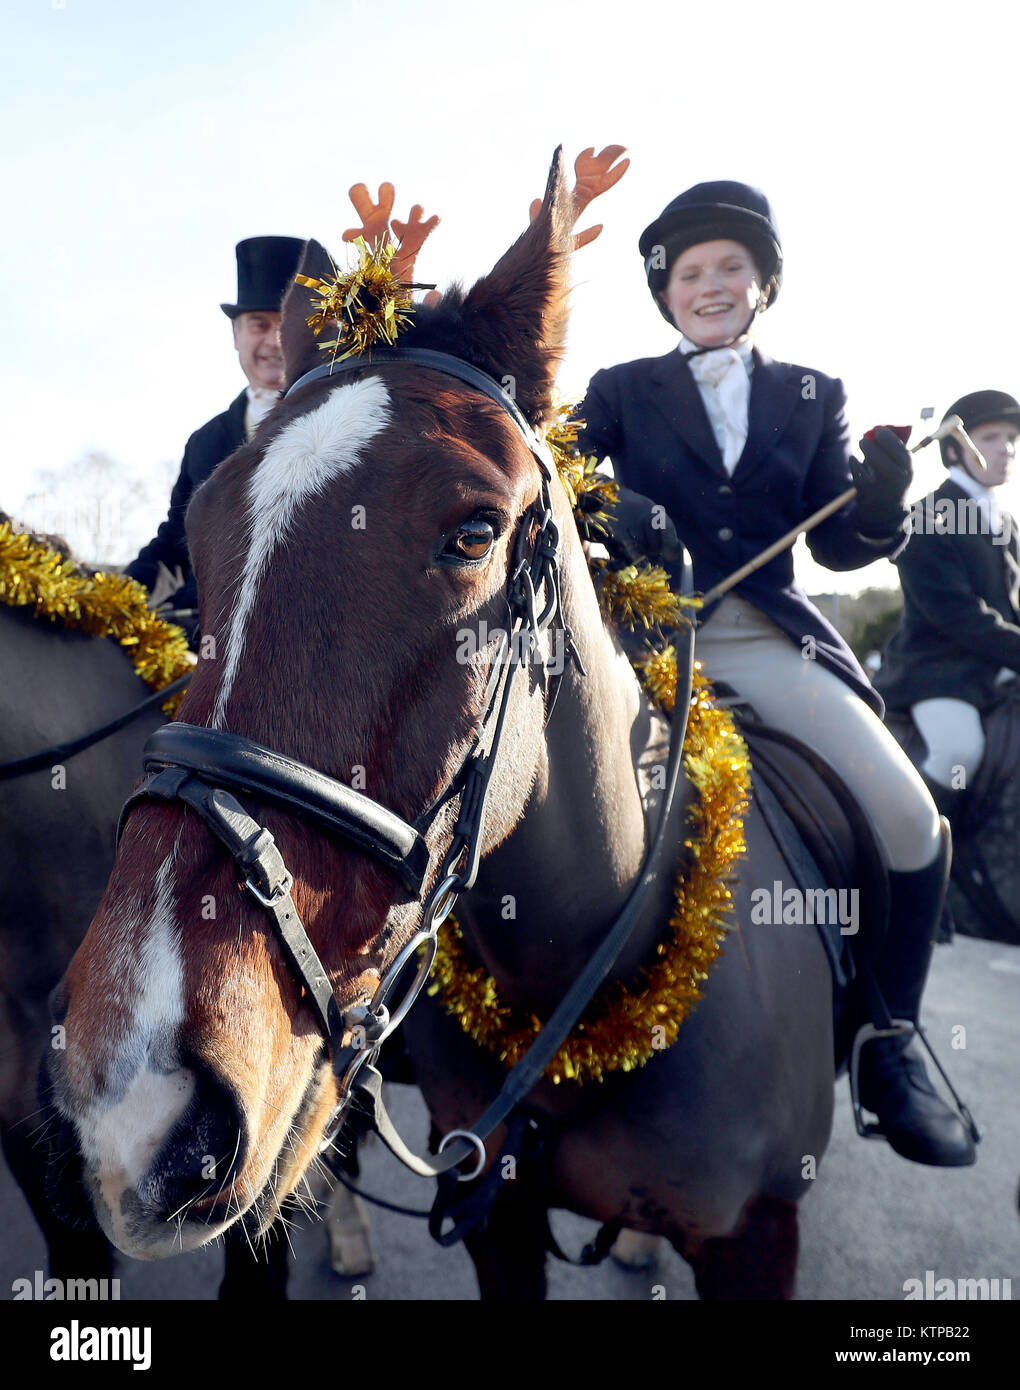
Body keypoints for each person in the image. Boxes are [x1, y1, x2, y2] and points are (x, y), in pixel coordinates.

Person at [576, 181, 974, 1166]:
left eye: (730, 270)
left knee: (914, 819)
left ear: (765, 286)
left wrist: (882, 504)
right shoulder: (621, 387)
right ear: (665, 293)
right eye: (689, 273)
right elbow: (560, 479)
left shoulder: (816, 392)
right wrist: (615, 514)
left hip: (768, 638)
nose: (709, 286)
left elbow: (841, 544)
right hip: (644, 639)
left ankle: (891, 1039)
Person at [124, 235, 305, 615]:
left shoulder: (341, 428)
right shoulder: (205, 442)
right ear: (236, 335)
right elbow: (176, 541)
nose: (272, 341)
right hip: (198, 631)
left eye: (285, 325)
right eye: (259, 325)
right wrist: (113, 593)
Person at [875, 391, 1020, 821]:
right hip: (938, 672)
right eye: (992, 437)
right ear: (955, 447)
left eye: (1011, 438)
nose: (1007, 448)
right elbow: (957, 615)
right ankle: (917, 847)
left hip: (992, 666)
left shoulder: (1005, 521)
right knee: (959, 751)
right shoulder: (928, 515)